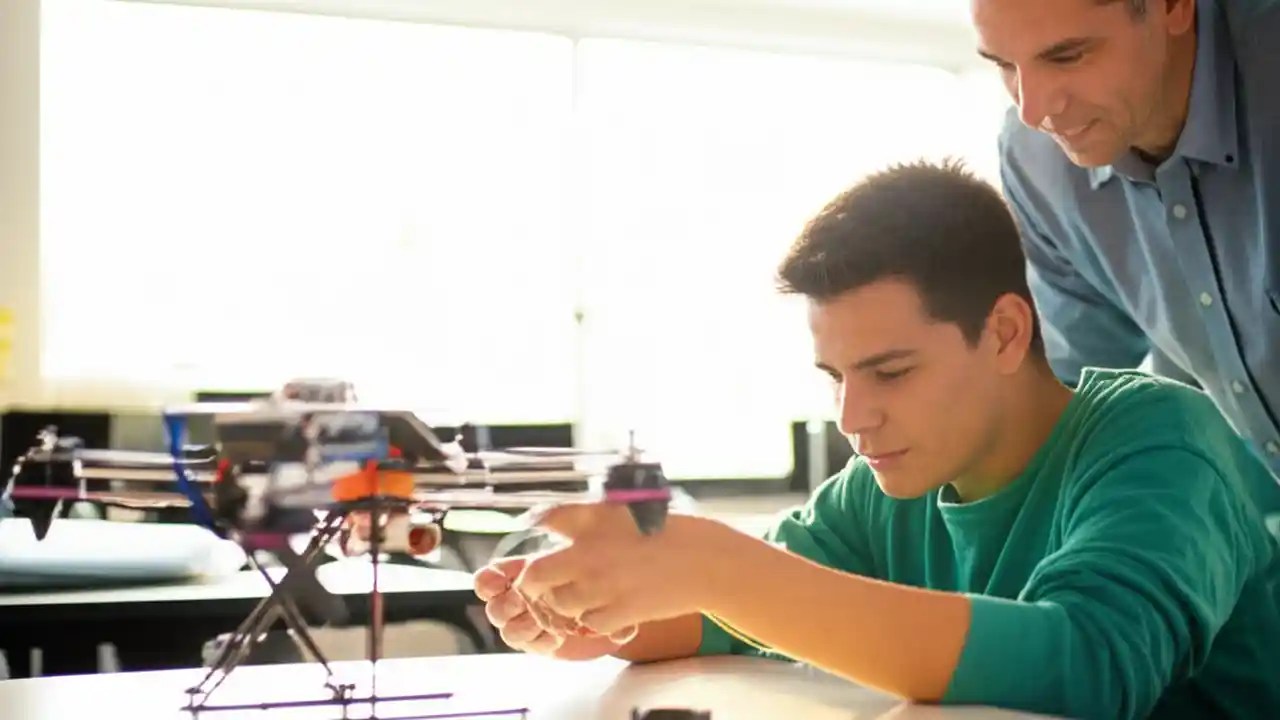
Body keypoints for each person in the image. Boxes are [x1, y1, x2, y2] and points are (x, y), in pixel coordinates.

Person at [473, 160, 1280, 719]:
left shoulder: (1162, 440)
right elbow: (738, 616)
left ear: (1004, 333)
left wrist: (719, 566)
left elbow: (1091, 670)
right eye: (835, 377)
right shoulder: (886, 486)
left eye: (891, 372)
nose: (853, 418)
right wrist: (603, 615)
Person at [978, 0, 1280, 510]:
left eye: (1067, 56)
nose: (1034, 110)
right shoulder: (1039, 163)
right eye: (1005, 65)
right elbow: (1067, 391)